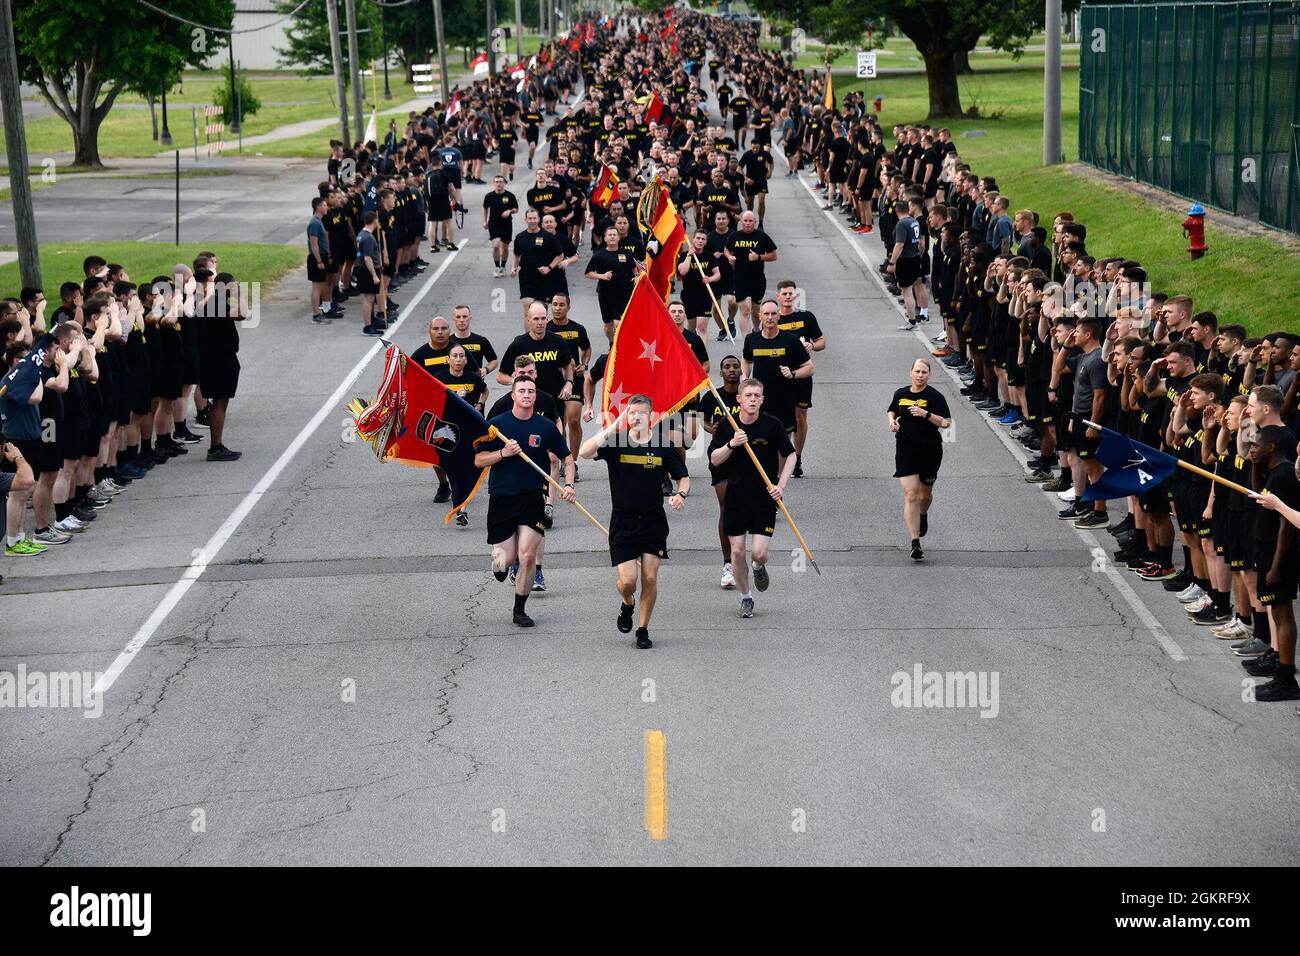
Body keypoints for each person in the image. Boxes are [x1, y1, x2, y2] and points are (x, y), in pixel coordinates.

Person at [580, 395, 689, 649]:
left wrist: (680, 494)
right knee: (628, 581)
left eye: (641, 413)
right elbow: (585, 453)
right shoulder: (616, 443)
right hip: (623, 523)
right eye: (632, 413)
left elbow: (683, 476)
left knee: (649, 579)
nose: (636, 417)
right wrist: (612, 425)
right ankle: (627, 603)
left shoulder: (662, 446)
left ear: (651, 416)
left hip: (653, 522)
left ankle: (642, 629)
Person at [475, 376, 576, 628]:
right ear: (513, 395)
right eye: (522, 391)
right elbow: (479, 460)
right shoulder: (496, 426)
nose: (527, 395)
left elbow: (567, 458)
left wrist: (569, 485)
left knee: (528, 556)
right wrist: (503, 453)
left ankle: (519, 609)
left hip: (532, 498)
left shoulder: (545, 427)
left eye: (531, 391)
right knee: (506, 559)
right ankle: (501, 564)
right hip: (502, 497)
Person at [708, 377, 796, 618]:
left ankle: (758, 566)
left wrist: (781, 485)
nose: (753, 400)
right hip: (736, 496)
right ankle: (746, 597)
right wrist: (732, 444)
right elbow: (714, 459)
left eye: (757, 396)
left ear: (762, 399)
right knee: (736, 552)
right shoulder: (729, 426)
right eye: (748, 396)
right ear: (739, 399)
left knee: (757, 552)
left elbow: (790, 456)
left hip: (764, 497)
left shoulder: (772, 424)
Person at [1242, 426, 1300, 701]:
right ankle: (1280, 667)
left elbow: (1286, 526)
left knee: (1282, 611)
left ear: (1273, 446)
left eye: (1256, 444)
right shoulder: (1271, 472)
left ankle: (1286, 678)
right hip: (1265, 548)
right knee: (1276, 611)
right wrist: (1254, 464)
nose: (1251, 448)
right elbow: (1257, 498)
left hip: (1280, 554)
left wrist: (1276, 566)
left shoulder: (1286, 474)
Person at [887, 358, 952, 561]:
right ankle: (915, 543)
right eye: (917, 371)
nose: (920, 375)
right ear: (911, 372)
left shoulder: (935, 396)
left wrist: (926, 414)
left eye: (924, 372)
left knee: (924, 496)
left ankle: (923, 514)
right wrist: (891, 421)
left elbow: (946, 422)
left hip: (930, 449)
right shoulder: (901, 393)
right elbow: (892, 410)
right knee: (910, 494)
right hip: (906, 448)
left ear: (929, 375)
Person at [698, 355, 743, 588]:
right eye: (727, 367)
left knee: (747, 509)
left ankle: (750, 555)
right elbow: (701, 420)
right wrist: (710, 428)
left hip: (746, 459)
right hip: (720, 457)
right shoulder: (712, 397)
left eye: (735, 366)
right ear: (721, 372)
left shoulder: (747, 396)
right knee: (726, 507)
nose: (732, 370)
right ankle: (727, 564)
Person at [775, 280, 826, 477]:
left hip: (802, 374)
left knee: (799, 416)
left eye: (791, 294)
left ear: (795, 296)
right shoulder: (773, 318)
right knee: (782, 418)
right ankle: (786, 456)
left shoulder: (806, 317)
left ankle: (797, 456)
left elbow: (821, 341)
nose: (788, 297)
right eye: (784, 294)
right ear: (778, 296)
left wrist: (812, 346)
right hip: (781, 376)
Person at [742, 299, 812, 438]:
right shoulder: (751, 339)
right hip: (760, 399)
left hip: (784, 399)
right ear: (759, 316)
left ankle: (793, 459)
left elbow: (810, 368)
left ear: (778, 316)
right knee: (760, 439)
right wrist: (744, 376)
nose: (769, 317)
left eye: (773, 313)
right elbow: (746, 360)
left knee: (783, 442)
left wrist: (793, 373)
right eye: (766, 314)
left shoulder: (791, 340)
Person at [196, 272, 244, 462]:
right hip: (218, 360)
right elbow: (241, 314)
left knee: (221, 401)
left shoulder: (216, 302)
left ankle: (217, 445)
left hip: (218, 358)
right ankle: (215, 447)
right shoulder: (217, 303)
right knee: (219, 401)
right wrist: (240, 295)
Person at [723, 211, 777, 336]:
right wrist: (729, 257)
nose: (747, 223)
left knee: (756, 310)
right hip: (739, 278)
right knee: (745, 310)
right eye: (745, 221)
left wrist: (758, 257)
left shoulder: (761, 236)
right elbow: (726, 249)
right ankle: (747, 341)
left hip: (757, 279)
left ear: (755, 222)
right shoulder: (734, 236)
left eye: (750, 221)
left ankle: (756, 330)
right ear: (741, 222)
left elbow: (774, 255)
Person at [511, 208, 562, 326]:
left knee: (541, 313)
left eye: (535, 218)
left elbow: (559, 255)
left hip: (544, 279)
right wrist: (514, 267)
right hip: (526, 278)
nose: (532, 221)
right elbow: (516, 254)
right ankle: (529, 341)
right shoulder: (520, 237)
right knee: (528, 312)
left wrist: (549, 268)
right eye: (530, 218)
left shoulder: (548, 237)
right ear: (525, 220)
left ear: (539, 219)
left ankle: (542, 338)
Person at [483, 174, 519, 277]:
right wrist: (484, 221)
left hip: (506, 224)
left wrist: (509, 211)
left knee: (505, 247)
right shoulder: (489, 196)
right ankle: (497, 267)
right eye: (496, 182)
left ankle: (503, 267)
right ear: (493, 183)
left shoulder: (510, 196)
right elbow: (485, 208)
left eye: (500, 182)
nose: (498, 184)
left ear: (504, 183)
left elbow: (516, 209)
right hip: (494, 224)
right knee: (495, 246)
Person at [307, 198, 335, 324]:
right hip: (316, 258)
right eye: (324, 205)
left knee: (320, 285)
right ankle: (316, 315)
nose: (326, 207)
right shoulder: (315, 223)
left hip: (321, 256)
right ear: (317, 207)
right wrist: (319, 261)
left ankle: (319, 312)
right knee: (316, 287)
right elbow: (314, 243)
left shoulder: (319, 221)